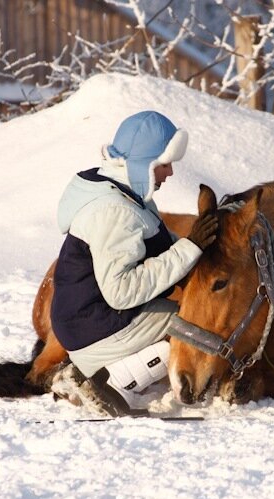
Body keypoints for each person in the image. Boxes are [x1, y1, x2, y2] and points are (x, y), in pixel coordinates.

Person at [50, 111, 217, 416]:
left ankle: (98, 372)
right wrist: (190, 248)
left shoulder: (128, 193)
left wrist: (200, 252)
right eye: (164, 164)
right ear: (145, 161)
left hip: (92, 318)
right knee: (197, 325)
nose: (170, 173)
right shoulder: (114, 210)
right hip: (93, 325)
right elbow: (121, 292)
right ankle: (103, 382)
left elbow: (164, 249)